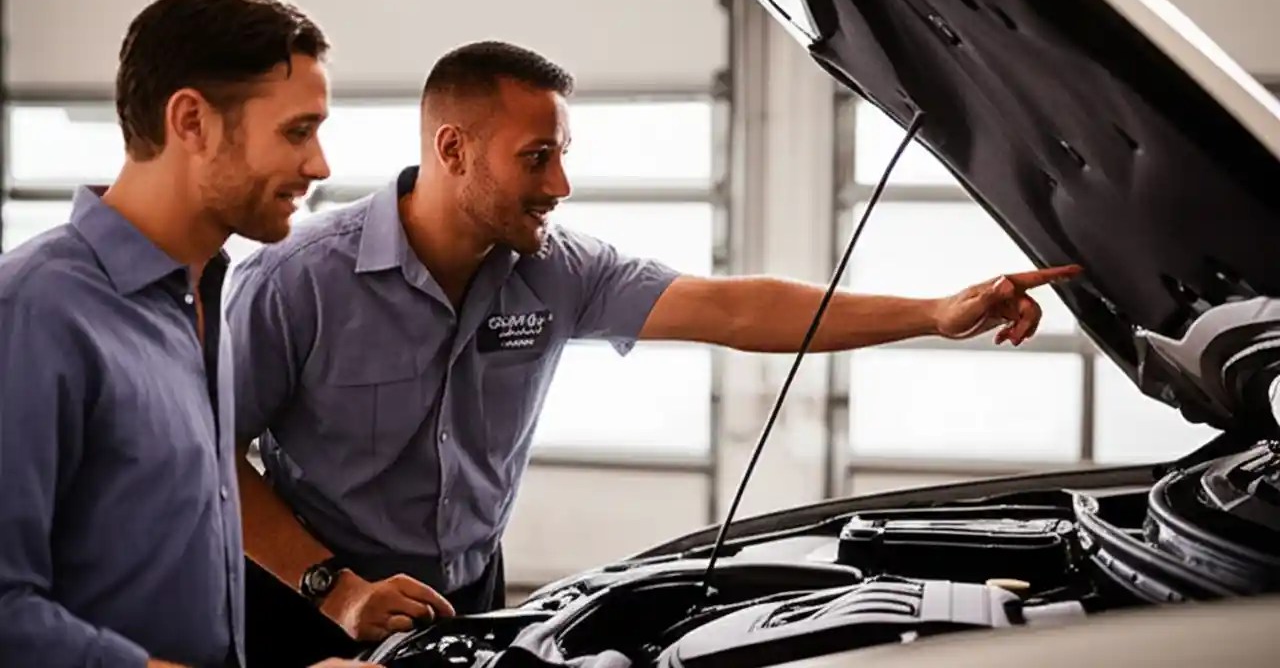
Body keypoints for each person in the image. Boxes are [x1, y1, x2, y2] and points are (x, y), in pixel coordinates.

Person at [226, 40, 1082, 644]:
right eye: (537, 157)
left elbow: (736, 310)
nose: (562, 184)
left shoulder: (558, 270)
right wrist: (334, 590)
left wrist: (934, 313)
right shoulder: (297, 281)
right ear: (454, 149)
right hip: (311, 599)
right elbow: (209, 454)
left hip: (468, 595)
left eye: (563, 154)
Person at [0, 0, 373, 668]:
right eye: (297, 131)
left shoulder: (201, 296)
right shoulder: (32, 312)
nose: (319, 164)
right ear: (192, 122)